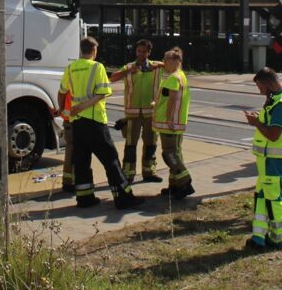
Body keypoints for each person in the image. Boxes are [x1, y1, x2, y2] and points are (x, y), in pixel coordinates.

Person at [57, 37, 143, 209]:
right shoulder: (97, 67)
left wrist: (63, 110)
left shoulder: (71, 68)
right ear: (94, 50)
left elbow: (62, 92)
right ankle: (123, 197)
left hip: (76, 122)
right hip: (95, 120)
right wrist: (82, 106)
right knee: (110, 159)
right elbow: (102, 93)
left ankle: (84, 198)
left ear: (81, 50)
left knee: (81, 161)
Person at [243, 67, 282, 252]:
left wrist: (256, 122)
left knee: (273, 199)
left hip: (274, 159)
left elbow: (274, 134)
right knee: (262, 196)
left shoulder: (281, 104)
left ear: (268, 84)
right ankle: (259, 237)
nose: (259, 91)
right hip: (269, 160)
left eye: (260, 87)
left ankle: (278, 239)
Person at [117, 39, 164, 183]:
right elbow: (112, 78)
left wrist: (160, 64)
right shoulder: (129, 67)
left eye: (144, 52)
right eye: (139, 51)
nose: (141, 54)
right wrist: (127, 71)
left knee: (151, 144)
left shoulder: (156, 67)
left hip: (151, 113)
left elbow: (174, 64)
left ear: (149, 52)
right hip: (133, 114)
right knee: (130, 145)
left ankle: (149, 172)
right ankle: (128, 174)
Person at [152, 47, 194, 199]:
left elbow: (172, 99)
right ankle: (174, 185)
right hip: (177, 122)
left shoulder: (173, 78)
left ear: (173, 61)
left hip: (169, 123)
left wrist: (169, 118)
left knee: (169, 153)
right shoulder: (181, 76)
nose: (164, 63)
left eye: (165, 60)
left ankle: (184, 181)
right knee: (176, 153)